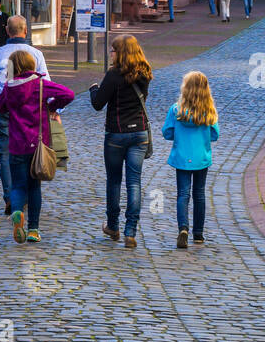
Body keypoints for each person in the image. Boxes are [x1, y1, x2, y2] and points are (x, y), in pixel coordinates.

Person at [0, 49, 73, 245]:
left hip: (16, 145)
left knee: (18, 185)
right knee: (34, 186)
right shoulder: (39, 84)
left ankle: (17, 212)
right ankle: (34, 230)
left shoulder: (8, 88)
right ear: (31, 66)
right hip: (37, 145)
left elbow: (0, 108)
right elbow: (68, 94)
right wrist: (52, 105)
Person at [0, 15, 49, 214]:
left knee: (5, 152)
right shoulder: (36, 54)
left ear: (7, 32)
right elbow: (46, 82)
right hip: (30, 111)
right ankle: (26, 192)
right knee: (29, 150)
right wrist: (54, 110)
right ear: (26, 31)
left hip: (5, 108)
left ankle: (11, 195)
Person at [90, 34, 152, 249]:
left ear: (121, 53)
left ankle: (113, 226)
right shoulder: (144, 73)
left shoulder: (114, 75)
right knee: (134, 182)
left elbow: (98, 104)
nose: (111, 53)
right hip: (139, 134)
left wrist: (93, 89)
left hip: (117, 135)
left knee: (114, 181)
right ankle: (130, 231)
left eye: (113, 50)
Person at [162, 71, 220, 250]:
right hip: (201, 157)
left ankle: (183, 228)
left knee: (183, 194)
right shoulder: (209, 111)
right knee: (199, 194)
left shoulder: (176, 110)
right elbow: (214, 134)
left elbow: (167, 132)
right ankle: (199, 233)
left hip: (182, 156)